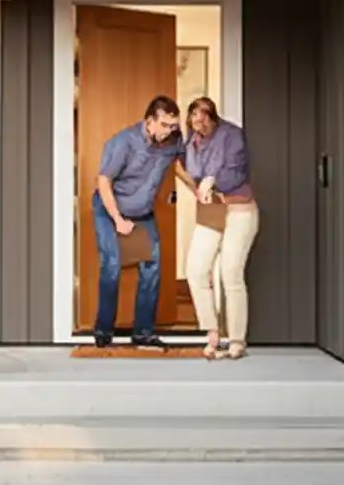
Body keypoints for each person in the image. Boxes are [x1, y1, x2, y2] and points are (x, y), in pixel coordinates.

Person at [92, 95, 184, 349]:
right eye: (165, 125)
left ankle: (143, 332)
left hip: (142, 212)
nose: (170, 131)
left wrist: (198, 189)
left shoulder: (173, 141)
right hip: (110, 208)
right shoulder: (124, 142)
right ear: (149, 121)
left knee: (151, 267)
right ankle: (103, 332)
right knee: (111, 266)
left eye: (173, 126)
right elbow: (103, 181)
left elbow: (181, 165)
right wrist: (118, 220)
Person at [179, 97, 259, 360]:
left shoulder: (232, 135)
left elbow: (235, 173)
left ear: (213, 117)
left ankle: (237, 340)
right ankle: (212, 332)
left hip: (239, 210)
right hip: (212, 211)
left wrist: (213, 180)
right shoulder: (191, 143)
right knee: (196, 269)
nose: (199, 125)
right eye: (194, 119)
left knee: (230, 272)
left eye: (204, 119)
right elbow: (189, 171)